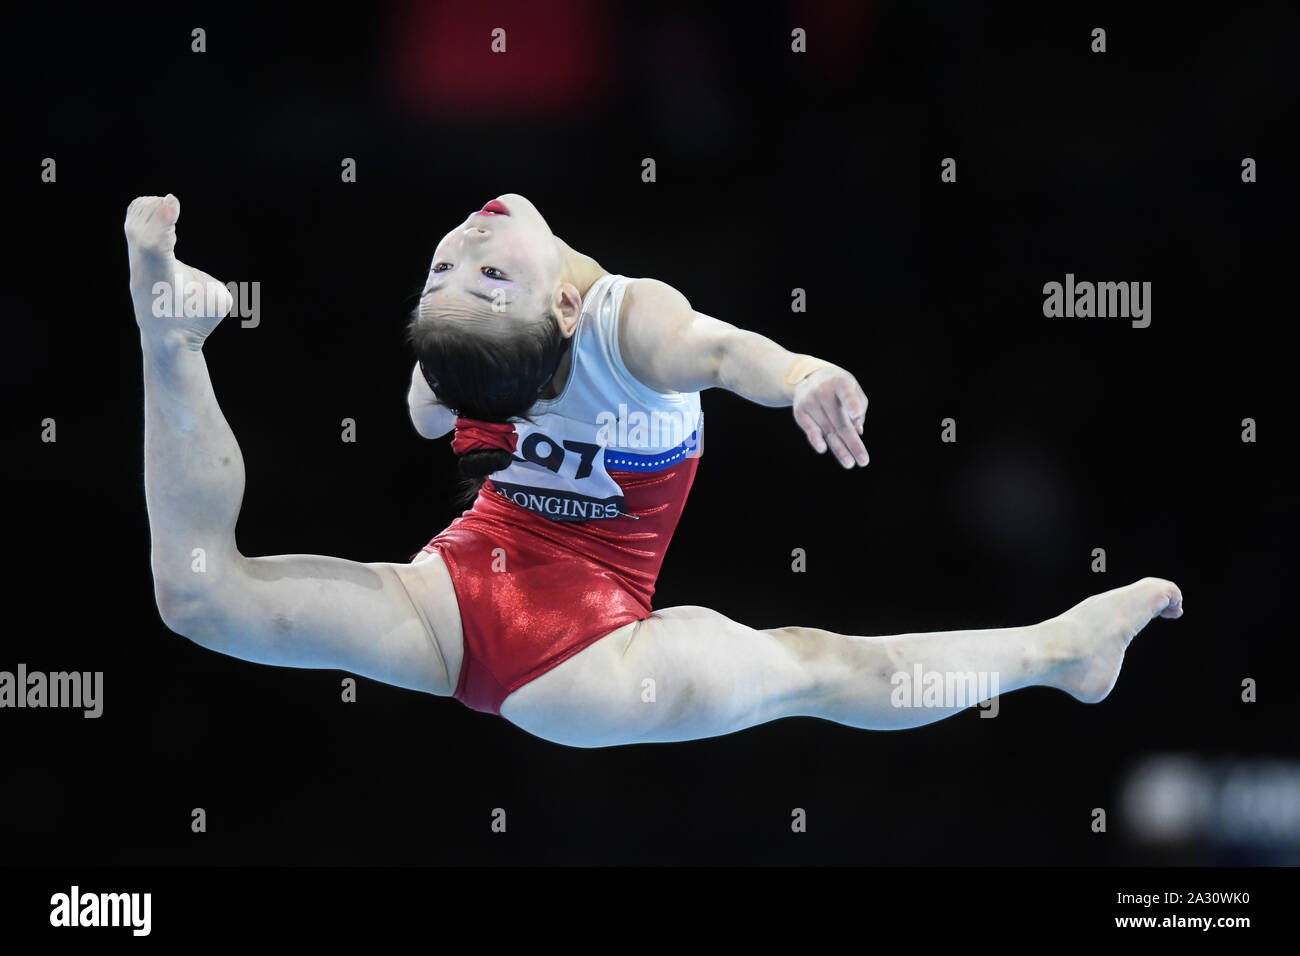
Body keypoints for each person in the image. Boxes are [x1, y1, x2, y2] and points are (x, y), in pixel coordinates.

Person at [127, 192, 1183, 750]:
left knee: (821, 670)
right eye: (460, 271)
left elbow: (729, 355)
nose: (462, 243)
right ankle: (170, 335)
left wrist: (802, 370)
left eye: (466, 272)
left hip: (578, 636)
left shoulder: (640, 323)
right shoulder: (546, 346)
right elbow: (429, 403)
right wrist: (448, 369)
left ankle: (1058, 652)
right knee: (197, 594)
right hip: (482, 607)